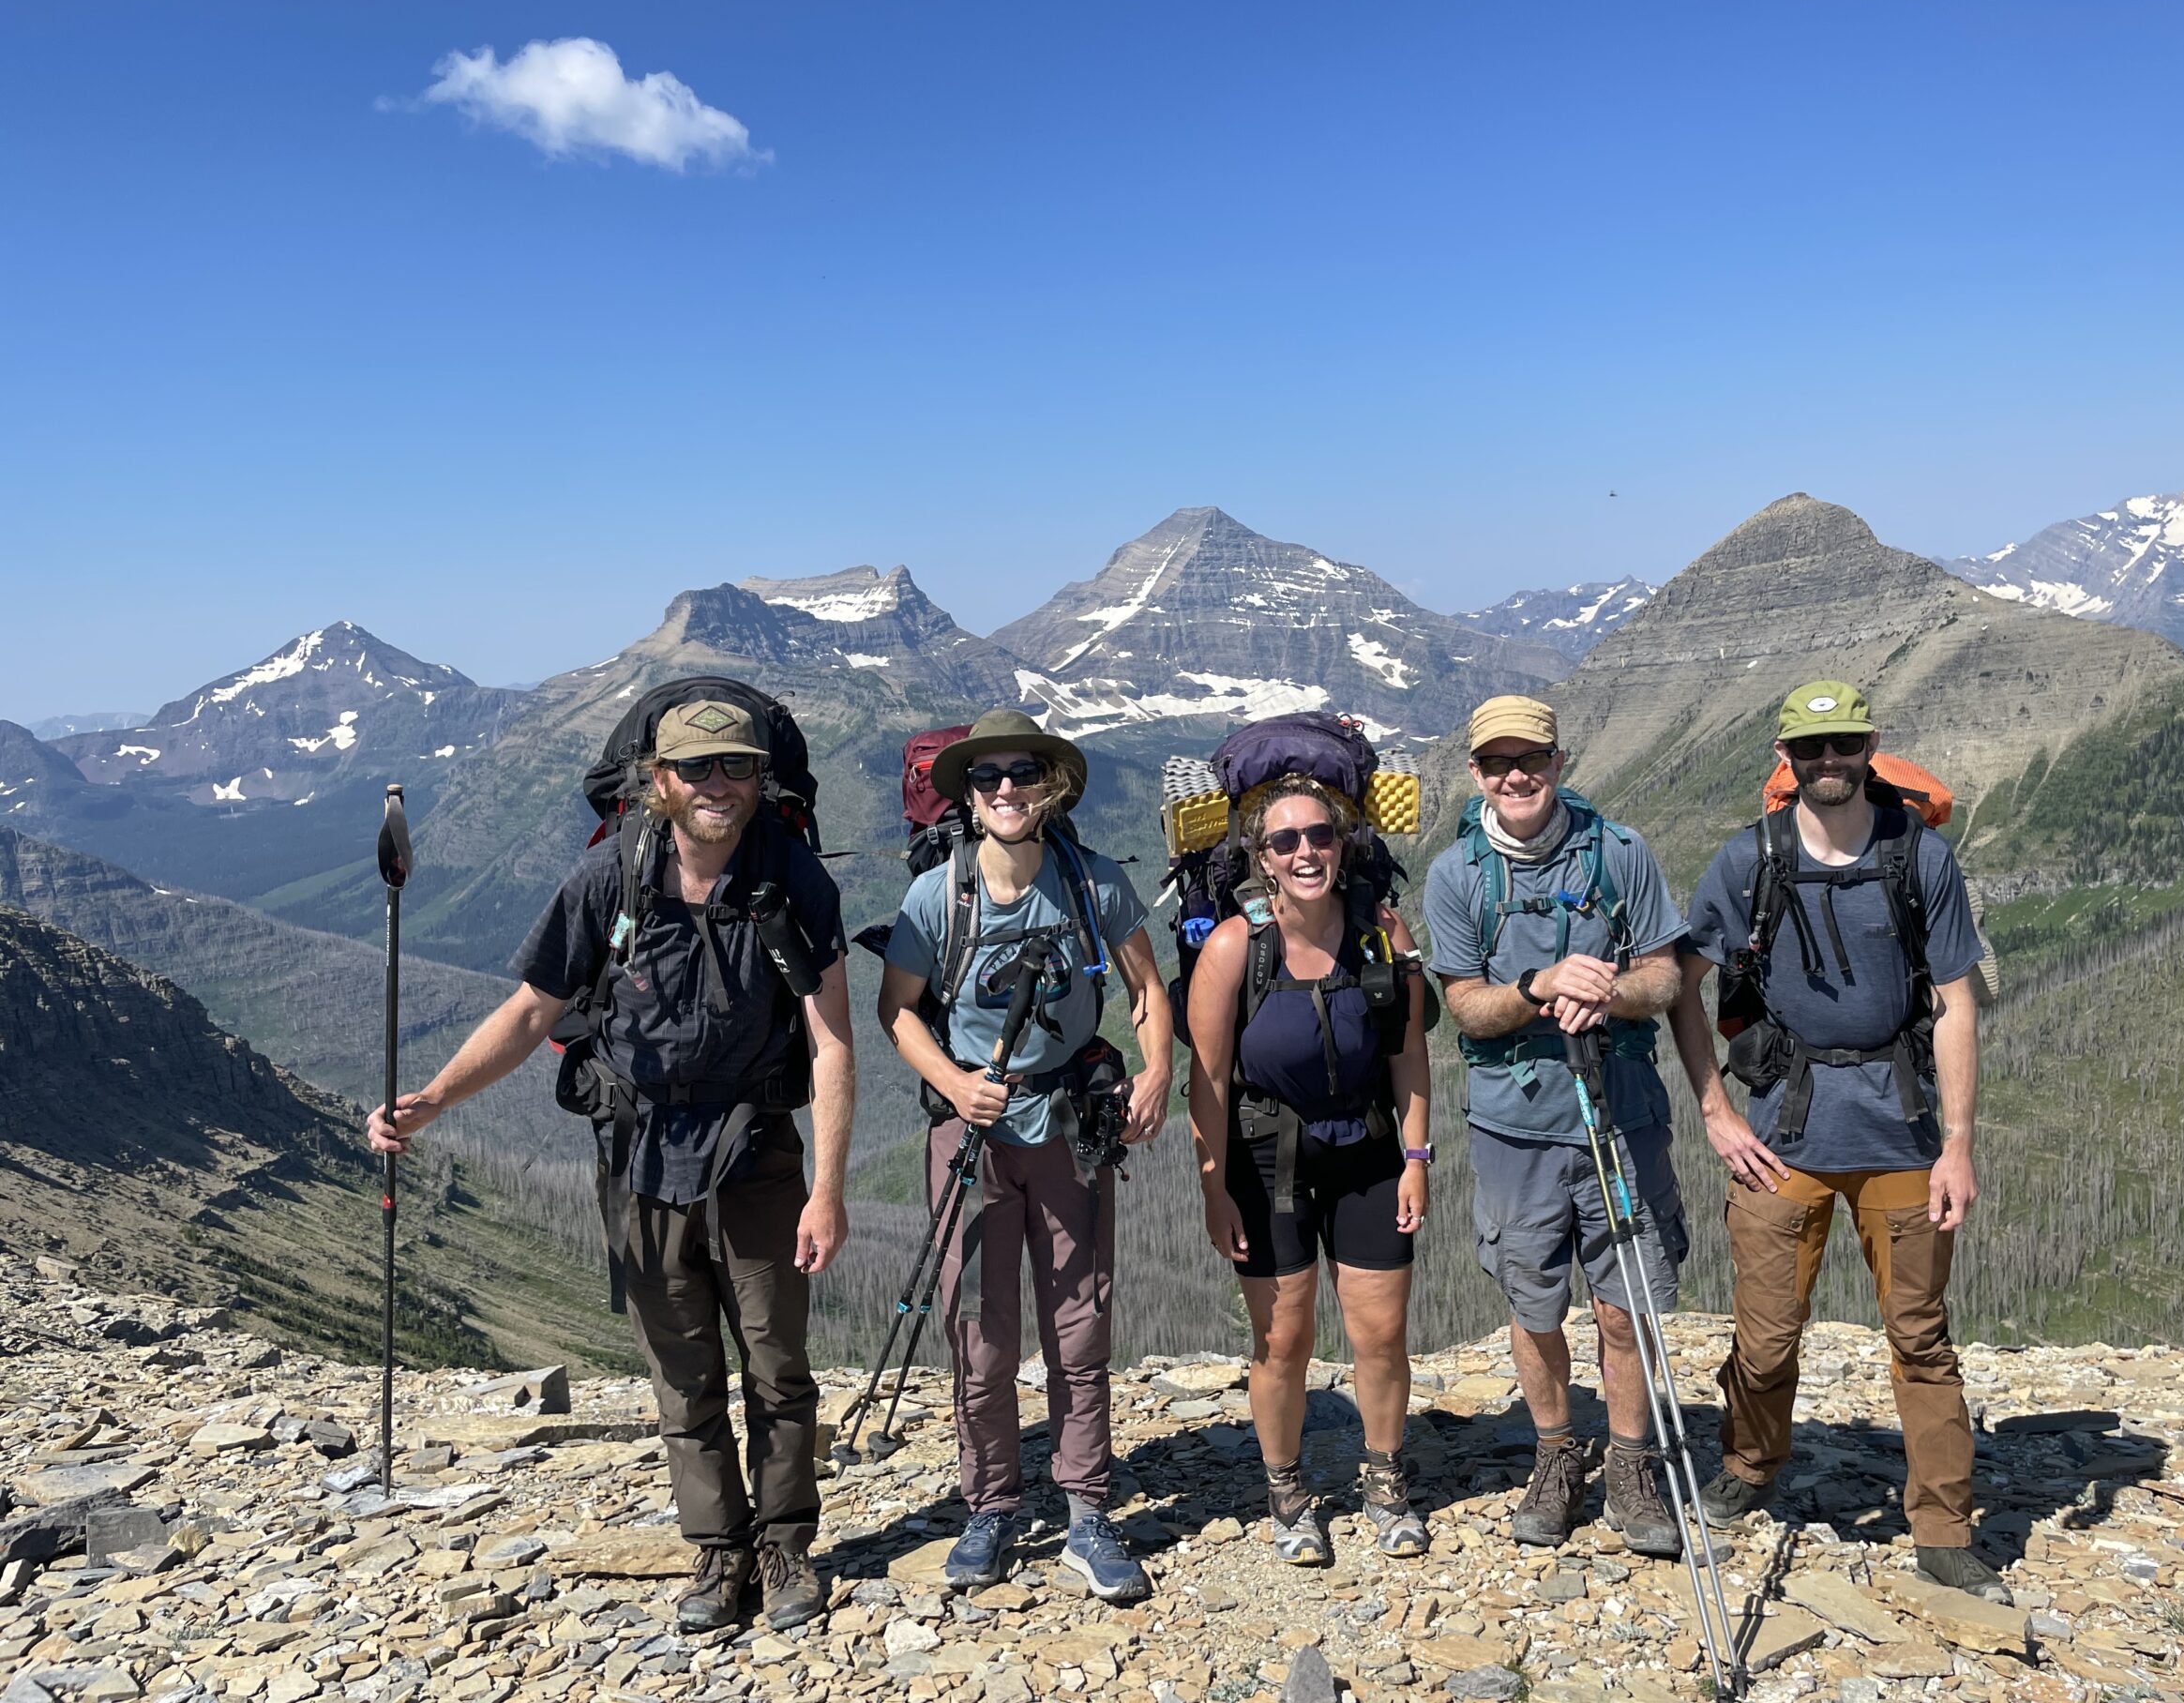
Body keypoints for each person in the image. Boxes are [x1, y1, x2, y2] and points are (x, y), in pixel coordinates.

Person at [368, 698, 855, 1633]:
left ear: (762, 778)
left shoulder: (790, 878)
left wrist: (827, 1191)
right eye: (697, 769)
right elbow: (528, 1014)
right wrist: (434, 1098)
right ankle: (720, 1551)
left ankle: (784, 1547)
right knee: (681, 1370)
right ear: (659, 781)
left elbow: (829, 1043)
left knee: (776, 1361)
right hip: (637, 1155)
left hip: (754, 1151)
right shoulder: (610, 878)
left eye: (738, 768)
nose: (719, 786)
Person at [1681, 679, 2007, 1603]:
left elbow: (1953, 1002)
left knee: (1918, 1335)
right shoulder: (1747, 862)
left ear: (1869, 746)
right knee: (1766, 1338)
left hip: (1901, 1135)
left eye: (1845, 743)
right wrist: (1713, 1111)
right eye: (1811, 747)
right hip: (1783, 1133)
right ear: (1787, 757)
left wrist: (1958, 1144)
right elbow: (1679, 983)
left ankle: (1943, 1529)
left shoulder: (1919, 857)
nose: (1829, 760)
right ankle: (1748, 1464)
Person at [877, 707, 1173, 1603]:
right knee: (980, 1329)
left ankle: (1085, 1507)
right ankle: (993, 1505)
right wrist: (956, 1084)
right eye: (986, 776)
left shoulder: (1092, 883)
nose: (1005, 789)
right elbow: (897, 1010)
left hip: (1069, 1126)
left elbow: (1147, 987)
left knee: (1078, 1322)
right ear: (965, 795)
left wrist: (1158, 1069)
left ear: (1048, 787)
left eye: (1022, 774)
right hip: (972, 1131)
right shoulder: (939, 896)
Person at [1422, 695, 1691, 1556]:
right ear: (1476, 773)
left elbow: (1667, 978)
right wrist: (1538, 987)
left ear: (1559, 762)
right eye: (1498, 762)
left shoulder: (1620, 854)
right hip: (1516, 1126)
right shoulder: (1456, 875)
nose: (1515, 775)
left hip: (1621, 1114)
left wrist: (1609, 991)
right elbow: (1463, 1005)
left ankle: (1631, 1462)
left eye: (1530, 759)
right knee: (1534, 1304)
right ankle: (1554, 1455)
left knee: (1626, 1304)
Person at [1186, 773, 1435, 1564]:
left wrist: (1418, 1156)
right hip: (1267, 1163)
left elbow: (1410, 1055)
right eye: (1285, 841)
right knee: (1283, 1339)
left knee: (1381, 1333)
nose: (1306, 853)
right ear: (1259, 857)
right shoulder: (1235, 947)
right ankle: (1288, 1491)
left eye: (1320, 836)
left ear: (1343, 843)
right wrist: (1213, 1187)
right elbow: (1209, 1081)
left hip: (1368, 1152)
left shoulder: (1380, 933)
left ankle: (1386, 1478)